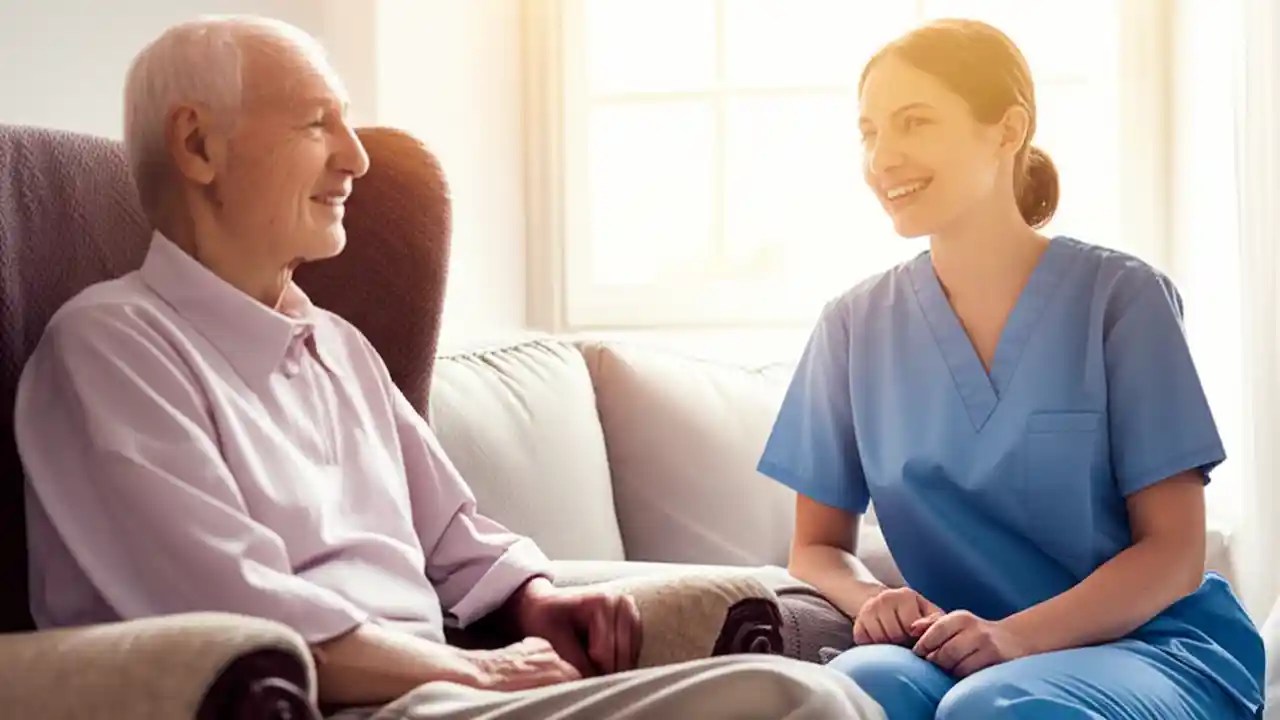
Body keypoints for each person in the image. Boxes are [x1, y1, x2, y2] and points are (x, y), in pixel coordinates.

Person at [14, 15, 885, 720]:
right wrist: (472, 674)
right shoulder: (112, 351)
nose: (356, 158)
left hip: (443, 690)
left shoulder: (339, 347)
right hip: (354, 702)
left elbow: (457, 538)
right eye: (318, 122)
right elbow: (239, 615)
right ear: (198, 146)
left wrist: (538, 599)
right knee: (791, 700)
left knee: (820, 691)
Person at [758, 18, 1265, 720]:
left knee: (995, 705)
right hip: (953, 652)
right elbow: (814, 547)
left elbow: (1173, 553)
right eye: (870, 132)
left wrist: (1014, 638)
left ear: (1007, 130)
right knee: (853, 686)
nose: (884, 158)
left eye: (914, 122)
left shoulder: (1122, 299)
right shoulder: (852, 324)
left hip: (1146, 645)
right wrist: (877, 601)